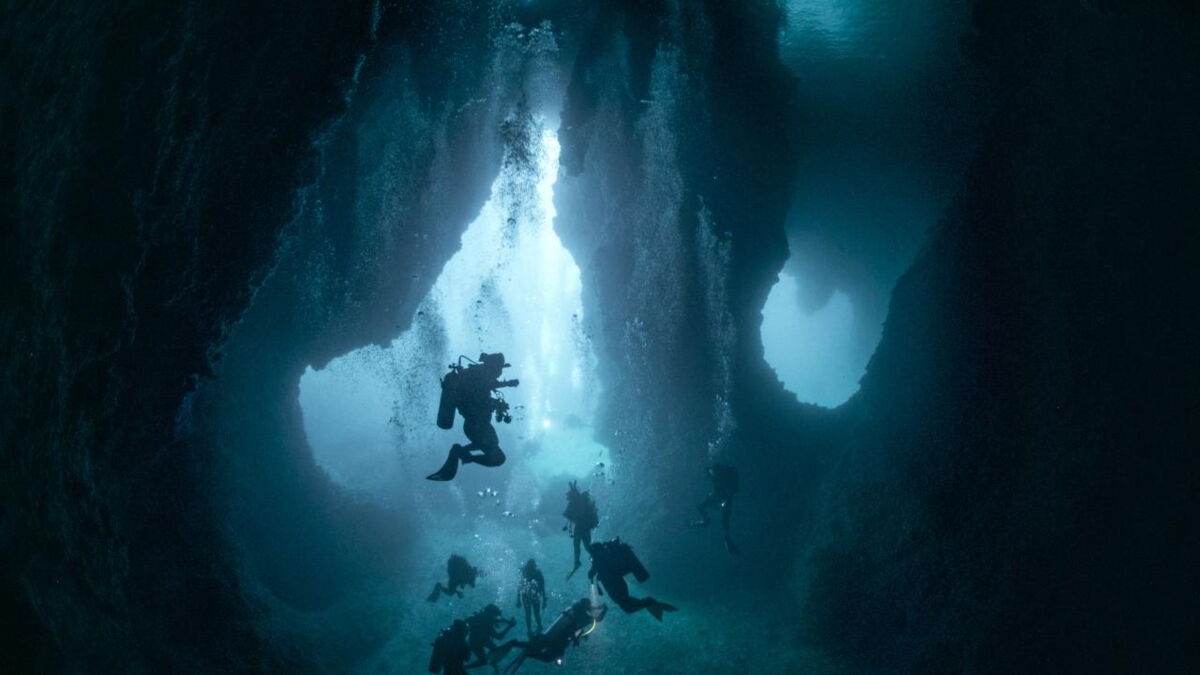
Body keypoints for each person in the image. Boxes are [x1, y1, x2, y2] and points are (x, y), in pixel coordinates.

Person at [428, 352, 520, 481]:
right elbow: (479, 399)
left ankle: (459, 452)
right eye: (498, 368)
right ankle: (461, 453)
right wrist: (499, 397)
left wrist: (505, 389)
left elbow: (485, 393)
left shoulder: (480, 378)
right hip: (476, 425)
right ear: (491, 367)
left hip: (478, 425)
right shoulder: (479, 378)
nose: (500, 372)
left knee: (493, 447)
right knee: (498, 458)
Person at [490, 598, 607, 675]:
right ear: (586, 607)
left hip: (549, 635)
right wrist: (604, 609)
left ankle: (517, 645)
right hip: (559, 642)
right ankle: (525, 651)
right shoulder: (581, 616)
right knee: (548, 657)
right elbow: (595, 620)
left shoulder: (572, 610)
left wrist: (579, 635)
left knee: (537, 648)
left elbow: (576, 627)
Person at [587, 538, 676, 620]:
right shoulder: (603, 556)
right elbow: (594, 573)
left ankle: (649, 602)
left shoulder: (598, 560)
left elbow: (593, 573)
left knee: (626, 606)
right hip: (617, 583)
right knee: (626, 606)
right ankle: (648, 602)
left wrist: (594, 580)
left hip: (615, 585)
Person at [689, 463, 740, 555]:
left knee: (723, 518)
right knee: (724, 519)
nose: (705, 477)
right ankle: (725, 537)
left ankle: (707, 523)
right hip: (725, 496)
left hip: (724, 496)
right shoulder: (719, 471)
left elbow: (718, 487)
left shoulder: (713, 472)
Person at [562, 481, 599, 578]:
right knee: (582, 545)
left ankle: (590, 559)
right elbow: (569, 515)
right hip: (584, 526)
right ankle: (592, 558)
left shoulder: (578, 501)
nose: (569, 498)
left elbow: (570, 514)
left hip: (583, 526)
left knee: (581, 545)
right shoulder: (578, 501)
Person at [464, 604, 516, 671]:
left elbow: (498, 619)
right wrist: (509, 626)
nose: (494, 617)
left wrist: (508, 622)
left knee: (493, 649)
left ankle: (495, 667)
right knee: (484, 660)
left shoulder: (479, 617)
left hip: (479, 640)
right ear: (490, 614)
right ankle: (464, 667)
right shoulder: (487, 623)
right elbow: (499, 637)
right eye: (493, 615)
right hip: (476, 643)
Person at [515, 559, 547, 635]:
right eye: (529, 567)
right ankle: (530, 630)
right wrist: (518, 599)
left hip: (534, 595)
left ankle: (539, 627)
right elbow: (520, 585)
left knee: (535, 613)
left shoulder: (538, 573)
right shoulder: (524, 572)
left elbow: (542, 586)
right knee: (528, 614)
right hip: (526, 595)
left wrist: (544, 600)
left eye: (532, 567)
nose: (530, 569)